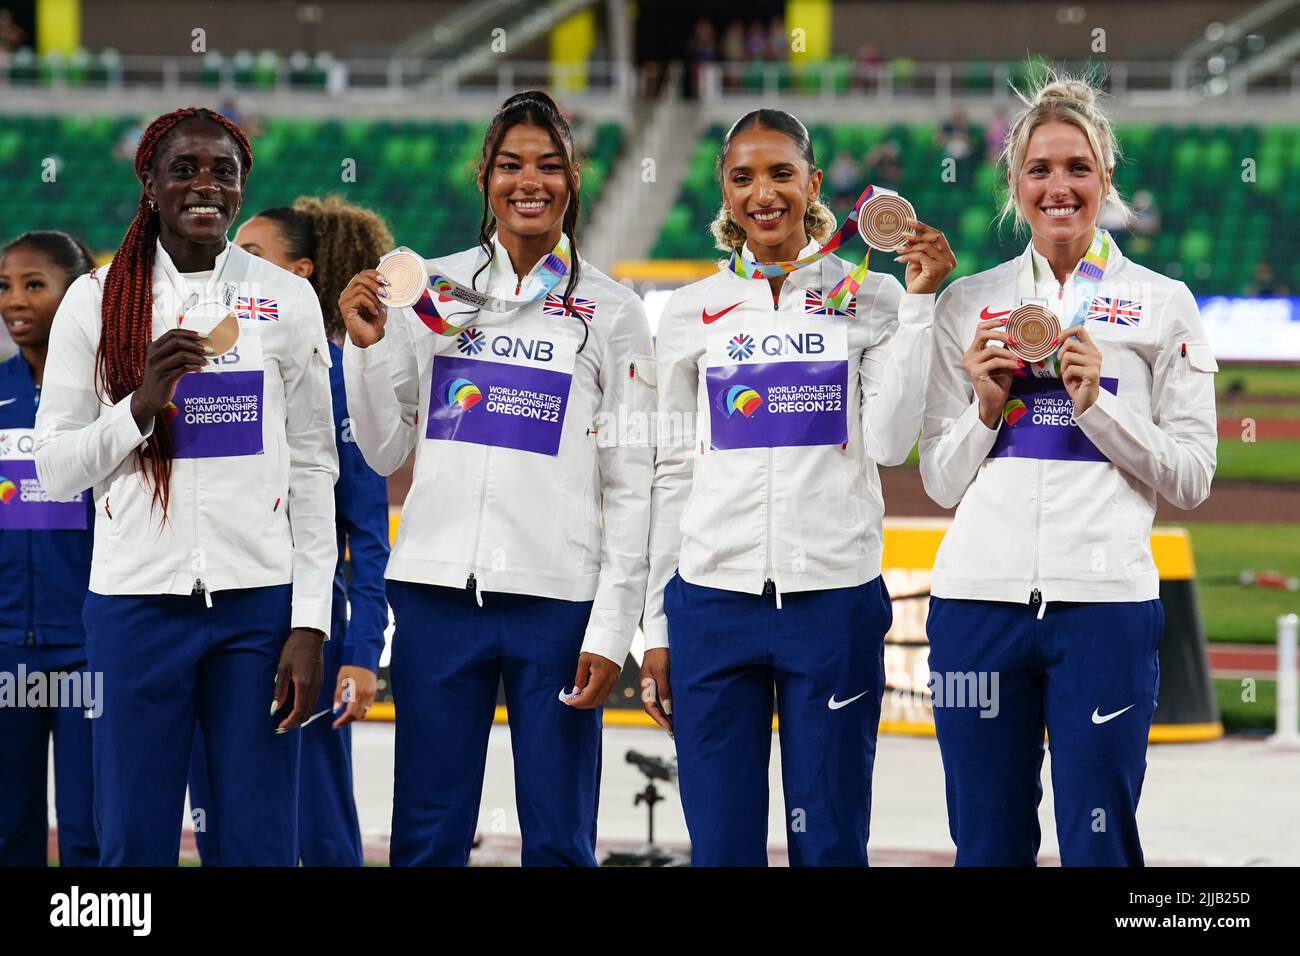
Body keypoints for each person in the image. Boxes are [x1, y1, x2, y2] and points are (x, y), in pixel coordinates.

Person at [339, 90, 655, 866]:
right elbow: (383, 452)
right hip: (435, 596)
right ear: (484, 176)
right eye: (511, 164)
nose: (530, 181)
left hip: (557, 605)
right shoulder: (427, 289)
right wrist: (368, 348)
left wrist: (614, 627)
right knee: (427, 834)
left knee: (557, 839)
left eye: (549, 165)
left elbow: (634, 483)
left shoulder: (611, 311)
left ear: (573, 179)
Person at [640, 108, 955, 866]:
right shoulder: (688, 311)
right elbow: (671, 471)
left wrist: (917, 307)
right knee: (722, 849)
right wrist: (654, 627)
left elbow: (885, 442)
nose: (763, 193)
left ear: (813, 184)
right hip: (712, 604)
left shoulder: (871, 297)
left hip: (832, 602)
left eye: (781, 173)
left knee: (832, 844)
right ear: (724, 191)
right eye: (743, 177)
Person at [919, 73, 1218, 866]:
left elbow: (1191, 477)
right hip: (975, 610)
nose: (1060, 186)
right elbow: (940, 484)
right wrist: (984, 410)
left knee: (1101, 848)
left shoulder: (1164, 303)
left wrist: (1098, 404)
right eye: (1041, 169)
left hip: (1105, 612)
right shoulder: (965, 306)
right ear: (1015, 185)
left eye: (1078, 168)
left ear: (1105, 179)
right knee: (986, 847)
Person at [34, 107, 339, 866]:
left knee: (258, 842)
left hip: (257, 610)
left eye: (223, 172)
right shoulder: (96, 299)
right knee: (132, 842)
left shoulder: (285, 299)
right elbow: (54, 467)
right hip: (135, 605)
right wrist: (138, 406)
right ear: (149, 183)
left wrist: (310, 621)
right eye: (184, 170)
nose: (205, 186)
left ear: (240, 189)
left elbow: (313, 465)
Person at [187, 195, 392, 866]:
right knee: (219, 805)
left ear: (298, 276)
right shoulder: (208, 368)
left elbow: (367, 533)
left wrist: (360, 652)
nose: (230, 268)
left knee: (316, 812)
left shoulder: (336, 386)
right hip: (215, 616)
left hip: (306, 628)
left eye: (251, 256)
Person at [0, 231, 98, 867]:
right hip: (7, 649)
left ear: (78, 293)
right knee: (9, 828)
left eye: (35, 284)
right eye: (5, 286)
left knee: (93, 829)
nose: (15, 300)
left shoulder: (111, 392)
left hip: (93, 648)